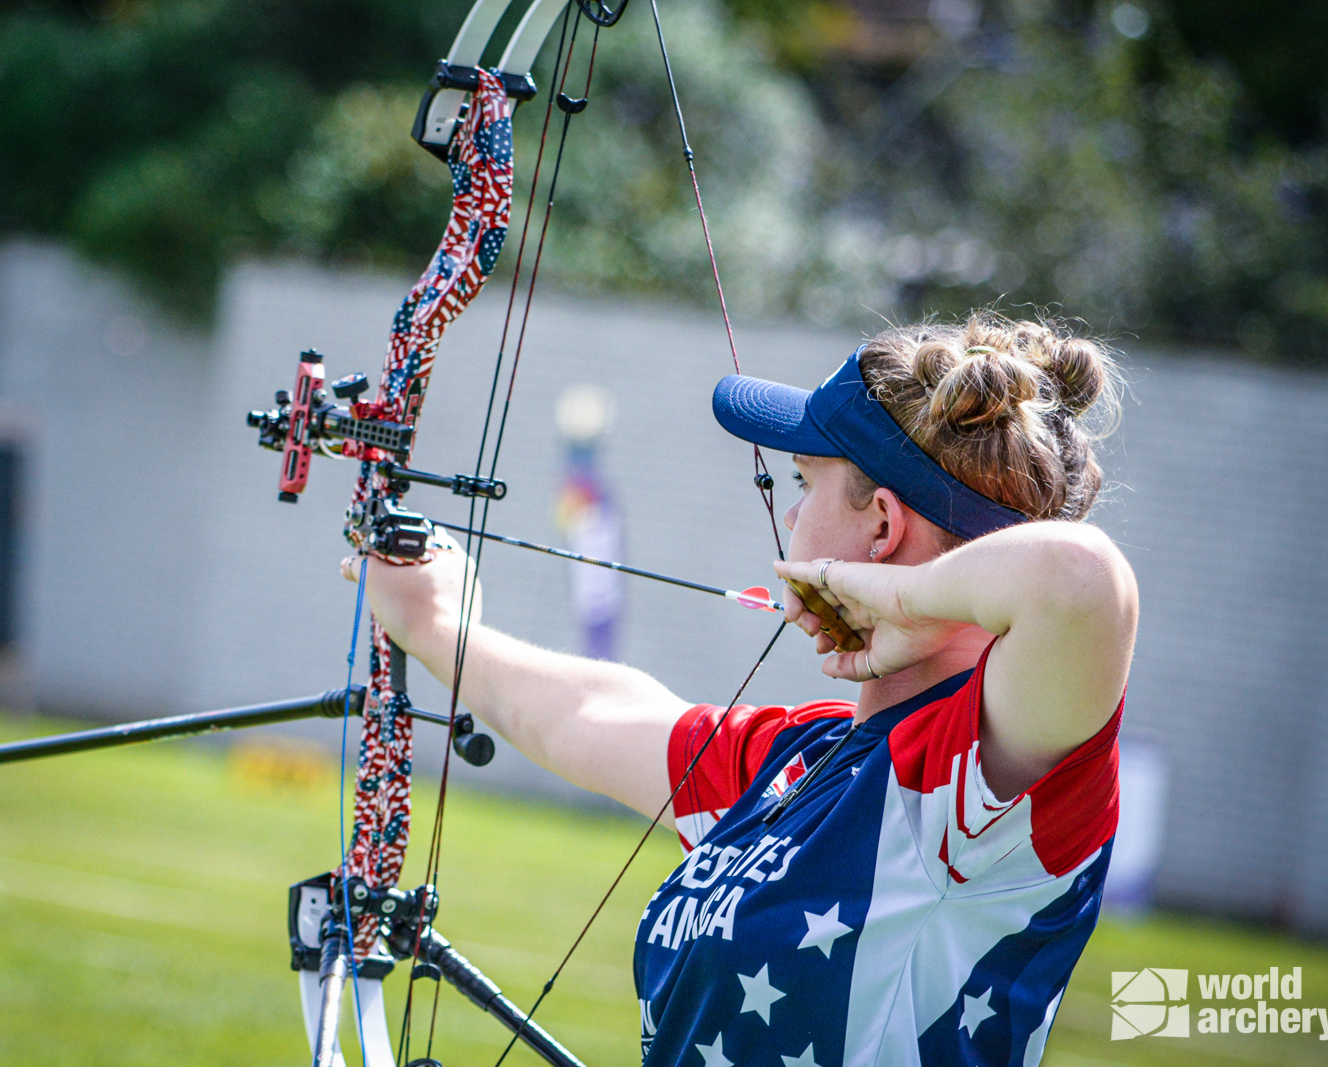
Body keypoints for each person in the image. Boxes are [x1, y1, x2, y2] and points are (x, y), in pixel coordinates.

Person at [345, 311, 1138, 1067]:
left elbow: (1078, 577)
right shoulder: (801, 759)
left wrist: (894, 600)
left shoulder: (977, 789)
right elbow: (585, 713)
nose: (789, 510)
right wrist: (436, 621)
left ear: (882, 526)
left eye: (803, 480)